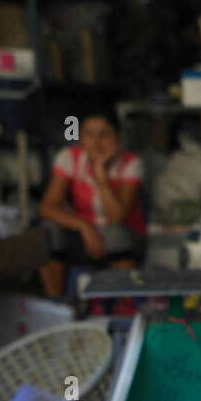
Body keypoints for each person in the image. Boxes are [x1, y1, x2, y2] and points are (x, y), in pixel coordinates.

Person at [38, 108, 146, 298]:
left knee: (114, 234)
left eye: (104, 134)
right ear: (81, 137)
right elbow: (47, 208)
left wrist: (100, 175)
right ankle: (57, 303)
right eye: (89, 134)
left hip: (125, 237)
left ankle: (125, 304)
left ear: (118, 139)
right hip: (86, 237)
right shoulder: (69, 158)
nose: (95, 143)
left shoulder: (131, 164)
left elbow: (116, 217)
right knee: (47, 232)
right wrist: (84, 226)